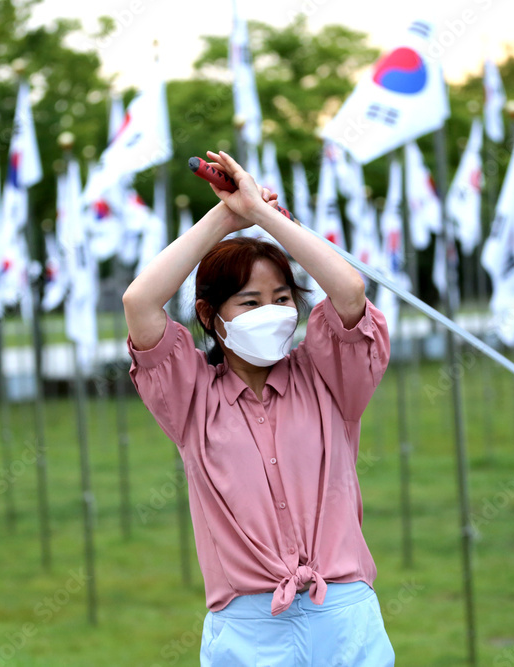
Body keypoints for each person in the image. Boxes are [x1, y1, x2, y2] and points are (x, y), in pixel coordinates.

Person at [122, 150, 395, 666]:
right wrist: (227, 215)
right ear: (210, 314)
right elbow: (140, 302)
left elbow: (350, 289)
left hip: (345, 619)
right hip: (248, 630)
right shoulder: (190, 398)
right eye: (248, 303)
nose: (270, 313)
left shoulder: (329, 378)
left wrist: (265, 217)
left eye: (282, 298)